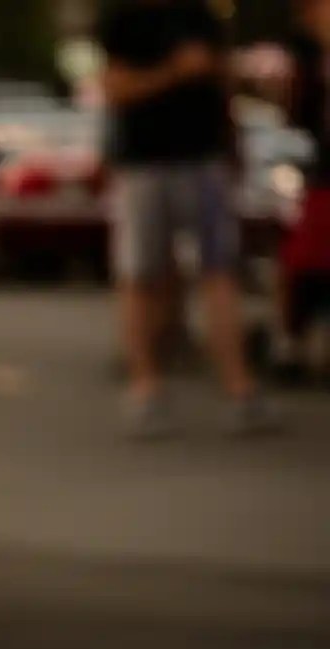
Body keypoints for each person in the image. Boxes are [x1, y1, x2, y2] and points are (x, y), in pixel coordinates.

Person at [99, 0, 277, 436]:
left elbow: (223, 89)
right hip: (144, 165)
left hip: (203, 161)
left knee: (220, 271)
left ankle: (239, 388)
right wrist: (175, 72)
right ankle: (146, 387)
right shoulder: (124, 18)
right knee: (140, 275)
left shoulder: (202, 17)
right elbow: (115, 89)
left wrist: (234, 143)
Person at [273, 0, 330, 373]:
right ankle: (293, 341)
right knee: (302, 261)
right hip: (324, 175)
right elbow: (298, 116)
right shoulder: (310, 60)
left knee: (305, 259)